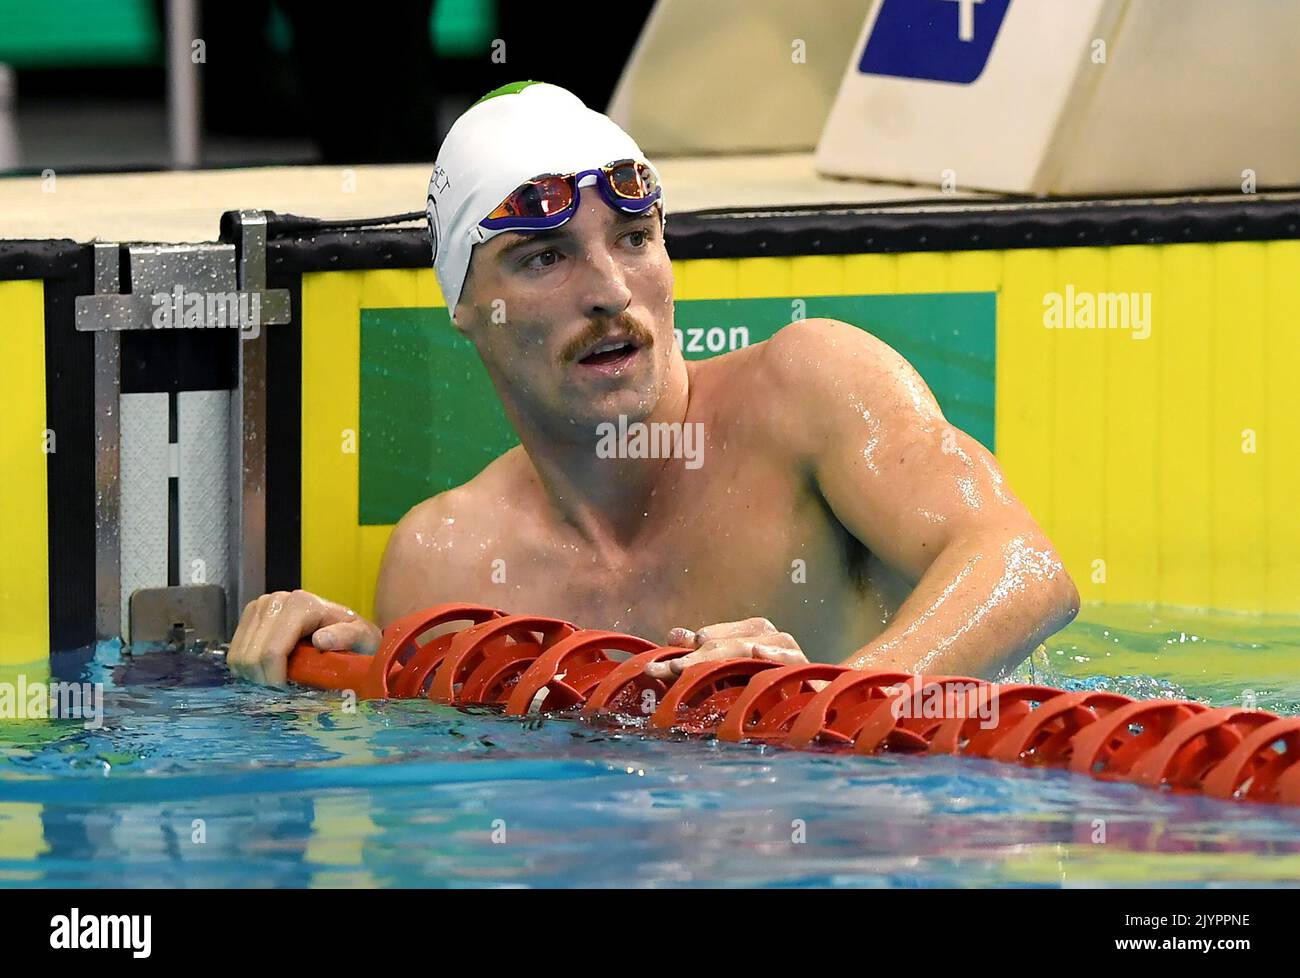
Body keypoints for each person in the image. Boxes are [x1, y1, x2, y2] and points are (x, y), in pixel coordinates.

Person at [228, 81, 1078, 687]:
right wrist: (345, 676)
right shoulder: (446, 563)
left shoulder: (808, 388)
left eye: (634, 238)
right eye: (545, 257)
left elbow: (1024, 566)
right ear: (467, 305)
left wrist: (831, 698)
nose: (608, 289)